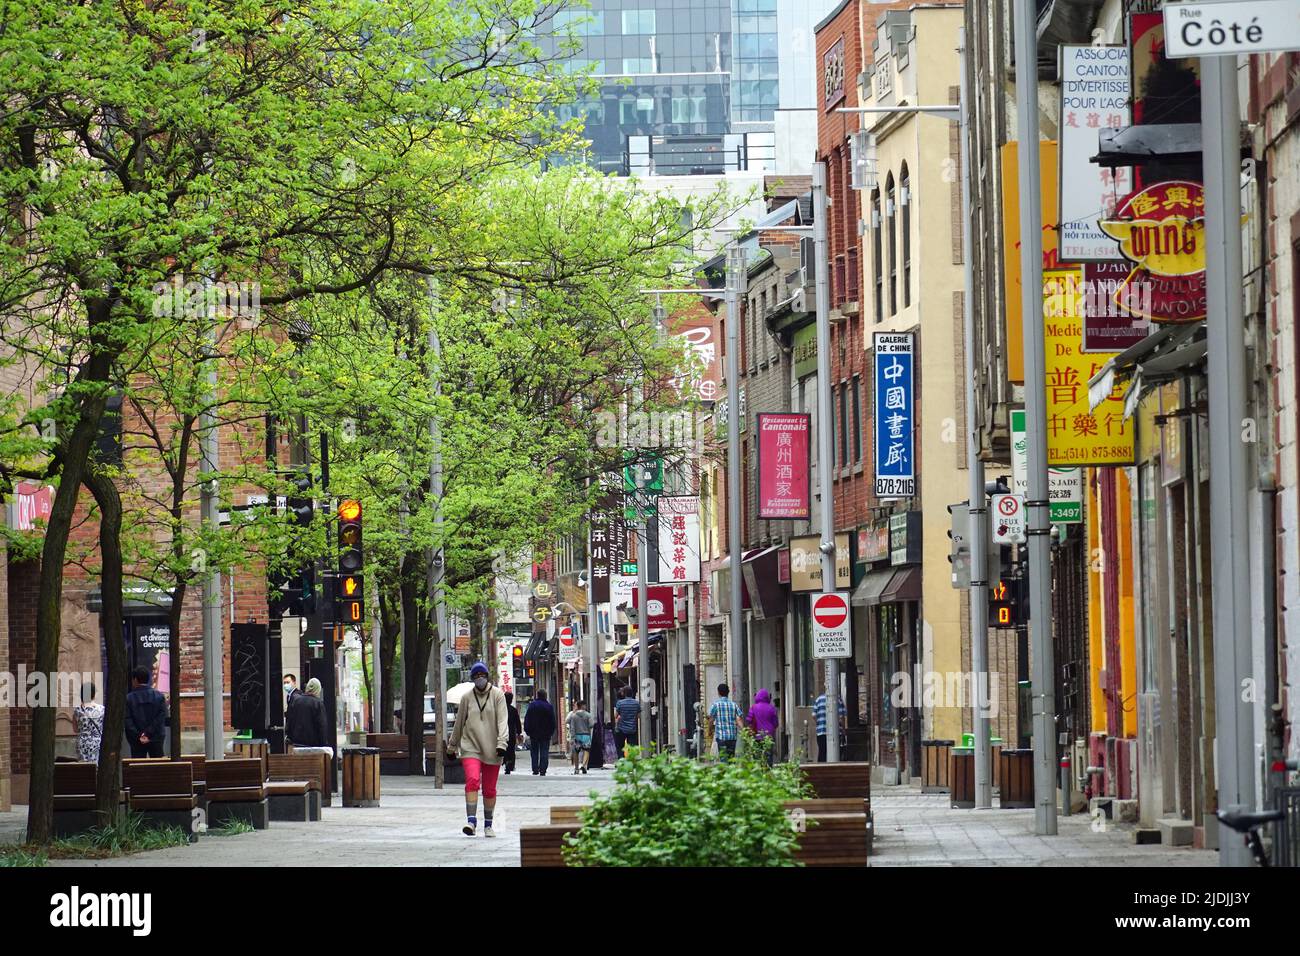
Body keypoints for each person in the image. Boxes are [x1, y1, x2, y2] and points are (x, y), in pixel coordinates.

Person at [446, 662, 509, 836]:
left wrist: (502, 743)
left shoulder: (498, 695)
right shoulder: (467, 698)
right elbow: (459, 723)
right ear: (472, 679)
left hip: (492, 748)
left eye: (482, 675)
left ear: (487, 676)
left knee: (489, 789)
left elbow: (503, 721)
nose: (479, 678)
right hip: (470, 746)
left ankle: (488, 825)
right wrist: (452, 746)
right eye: (476, 676)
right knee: (473, 779)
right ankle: (471, 821)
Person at [125, 665, 167, 758]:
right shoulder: (159, 696)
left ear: (135, 679)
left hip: (136, 740)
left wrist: (140, 735)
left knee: (138, 768)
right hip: (156, 737)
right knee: (158, 766)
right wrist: (149, 733)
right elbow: (160, 717)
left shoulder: (129, 698)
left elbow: (128, 720)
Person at [286, 677, 330, 748]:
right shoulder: (318, 703)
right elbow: (322, 726)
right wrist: (324, 744)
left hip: (296, 744)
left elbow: (290, 720)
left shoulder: (296, 700)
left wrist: (290, 737)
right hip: (312, 745)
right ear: (318, 689)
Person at [523, 689, 556, 776]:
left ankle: (535, 769)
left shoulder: (532, 706)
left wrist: (527, 730)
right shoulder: (549, 707)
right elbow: (552, 721)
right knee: (544, 751)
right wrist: (551, 731)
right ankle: (543, 769)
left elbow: (527, 719)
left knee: (534, 751)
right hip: (546, 733)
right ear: (545, 695)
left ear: (537, 695)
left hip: (534, 733)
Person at [708, 683, 742, 761]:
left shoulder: (715, 705)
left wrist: (709, 731)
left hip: (721, 738)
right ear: (728, 692)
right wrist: (744, 731)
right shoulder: (734, 705)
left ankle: (725, 772)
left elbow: (711, 719)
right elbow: (739, 719)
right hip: (732, 737)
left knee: (723, 759)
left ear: (718, 692)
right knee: (731, 759)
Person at [73, 681, 105, 764]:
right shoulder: (102, 709)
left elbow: (75, 729)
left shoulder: (77, 710)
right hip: (97, 743)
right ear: (94, 694)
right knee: (96, 767)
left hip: (82, 743)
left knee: (83, 769)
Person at [747, 688, 780, 765]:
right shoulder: (772, 708)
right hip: (768, 736)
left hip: (757, 736)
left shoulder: (753, 707)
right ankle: (768, 773)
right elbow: (776, 723)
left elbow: (749, 720)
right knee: (768, 757)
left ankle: (759, 773)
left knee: (757, 757)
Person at [813, 690, 847, 763]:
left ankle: (821, 770)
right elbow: (841, 717)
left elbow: (814, 715)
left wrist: (819, 723)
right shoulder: (838, 699)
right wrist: (844, 731)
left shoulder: (818, 699)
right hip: (836, 732)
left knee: (822, 752)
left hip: (821, 731)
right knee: (837, 753)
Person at [566, 699, 594, 774]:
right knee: (586, 750)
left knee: (576, 752)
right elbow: (591, 725)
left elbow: (572, 727)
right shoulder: (588, 715)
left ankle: (576, 769)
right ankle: (584, 766)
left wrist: (572, 738)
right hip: (586, 736)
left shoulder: (573, 715)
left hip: (577, 736)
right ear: (583, 706)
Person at [613, 685, 640, 757]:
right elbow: (638, 716)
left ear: (624, 693)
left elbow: (615, 716)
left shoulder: (620, 703)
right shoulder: (636, 703)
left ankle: (621, 762)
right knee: (632, 748)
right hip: (632, 729)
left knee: (620, 747)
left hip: (621, 729)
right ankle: (631, 762)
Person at [503, 691, 522, 774]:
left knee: (504, 748)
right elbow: (517, 722)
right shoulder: (513, 710)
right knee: (511, 750)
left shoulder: (501, 709)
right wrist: (519, 732)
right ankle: (510, 764)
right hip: (511, 733)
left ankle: (505, 761)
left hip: (502, 732)